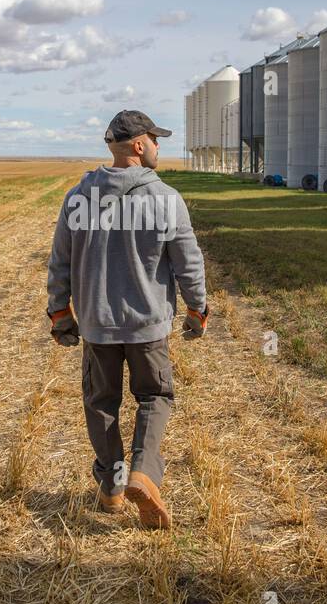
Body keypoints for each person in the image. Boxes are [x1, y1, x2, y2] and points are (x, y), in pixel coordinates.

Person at [46, 110, 209, 529]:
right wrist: (197, 309)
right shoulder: (165, 199)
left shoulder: (78, 196)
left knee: (101, 404)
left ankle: (113, 487)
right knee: (155, 398)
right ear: (140, 145)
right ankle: (143, 474)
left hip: (97, 326)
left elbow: (60, 262)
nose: (159, 146)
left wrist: (60, 311)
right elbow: (188, 263)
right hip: (148, 326)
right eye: (156, 139)